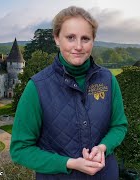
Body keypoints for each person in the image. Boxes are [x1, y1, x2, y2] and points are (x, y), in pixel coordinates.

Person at [10, 6, 128, 179]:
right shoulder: (37, 87)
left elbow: (119, 125)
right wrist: (69, 163)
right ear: (57, 38)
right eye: (70, 37)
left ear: (93, 40)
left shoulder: (107, 80)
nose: (78, 46)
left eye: (85, 38)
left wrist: (103, 147)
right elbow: (20, 150)